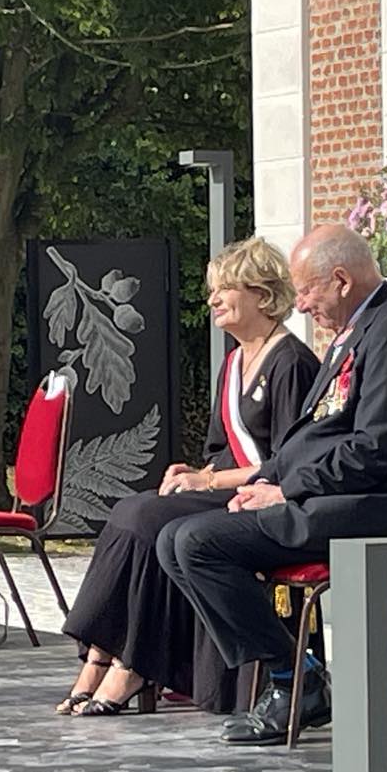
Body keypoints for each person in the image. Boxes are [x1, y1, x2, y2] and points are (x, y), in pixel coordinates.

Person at [157, 224, 387, 745]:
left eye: (307, 290)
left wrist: (288, 491)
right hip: (334, 495)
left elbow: (378, 448)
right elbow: (309, 433)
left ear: (339, 279)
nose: (302, 304)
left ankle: (295, 680)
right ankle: (299, 675)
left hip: (374, 504)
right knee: (172, 541)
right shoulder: (359, 330)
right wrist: (268, 478)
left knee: (198, 544)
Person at [57, 237, 320, 716]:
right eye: (211, 291)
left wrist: (211, 483)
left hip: (259, 501)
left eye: (225, 289)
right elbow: (221, 451)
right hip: (227, 488)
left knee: (143, 515)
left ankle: (130, 662)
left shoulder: (292, 362)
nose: (213, 300)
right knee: (135, 510)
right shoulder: (233, 363)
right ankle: (104, 652)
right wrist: (198, 473)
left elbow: (287, 462)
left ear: (262, 295)